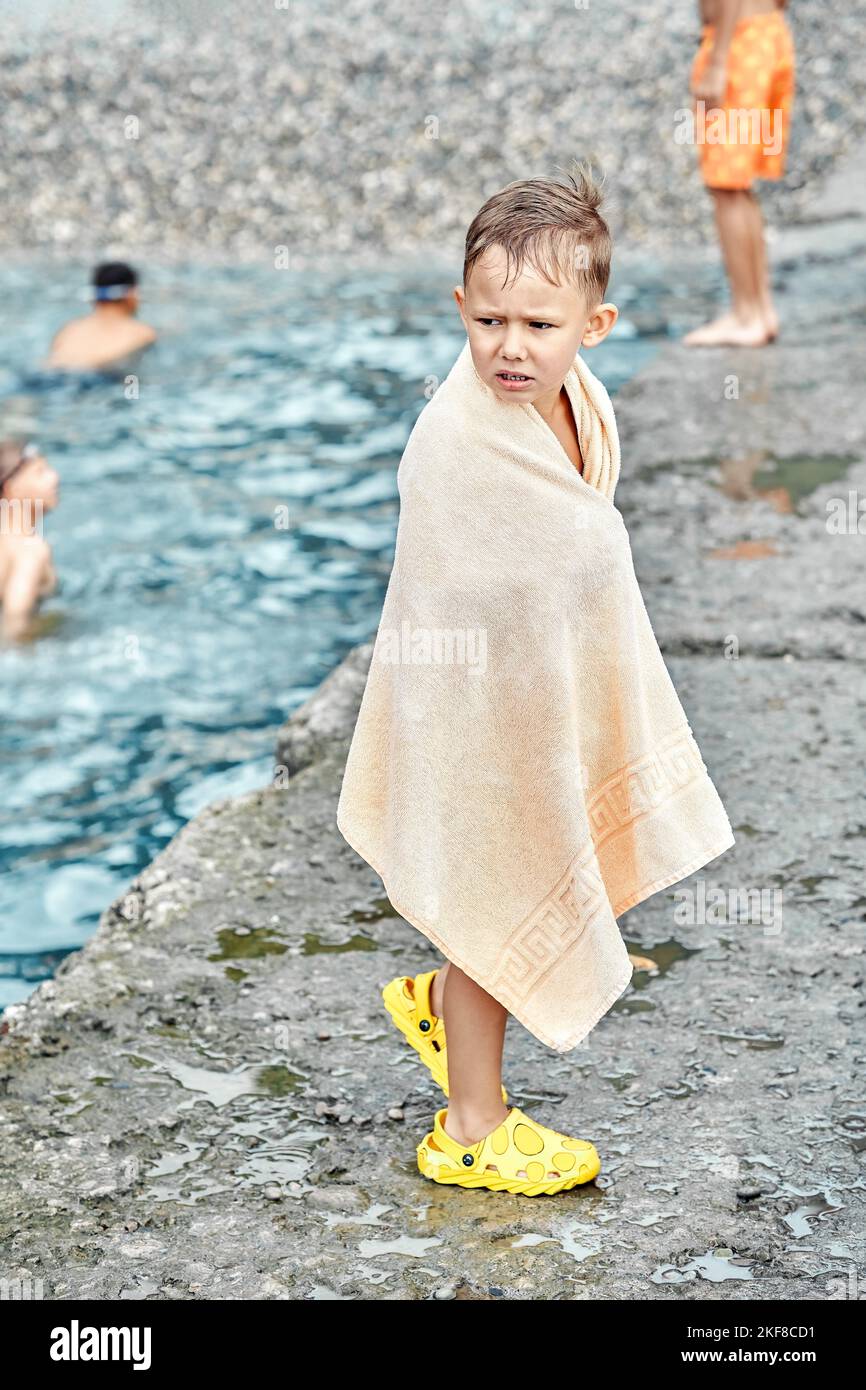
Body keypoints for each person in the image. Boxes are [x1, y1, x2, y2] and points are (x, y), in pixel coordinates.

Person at [336, 163, 736, 1196]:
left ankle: (440, 1004)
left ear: (592, 326)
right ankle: (470, 1126)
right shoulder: (457, 444)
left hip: (523, 700)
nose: (510, 347)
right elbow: (461, 583)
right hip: (470, 709)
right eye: (489, 320)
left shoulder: (580, 405)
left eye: (539, 325)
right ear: (459, 309)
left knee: (512, 871)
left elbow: (570, 556)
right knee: (493, 878)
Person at [684, 0, 795, 347]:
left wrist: (718, 60)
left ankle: (746, 315)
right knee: (738, 188)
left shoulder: (732, 47)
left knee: (726, 186)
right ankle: (759, 310)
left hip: (738, 45)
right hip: (767, 32)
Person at [0, 439, 60, 643]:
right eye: (40, 472)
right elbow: (14, 623)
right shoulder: (30, 549)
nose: (54, 477)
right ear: (11, 489)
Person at [45, 262, 157, 372]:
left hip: (47, 374)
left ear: (95, 297)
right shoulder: (143, 332)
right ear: (131, 294)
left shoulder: (69, 329)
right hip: (96, 376)